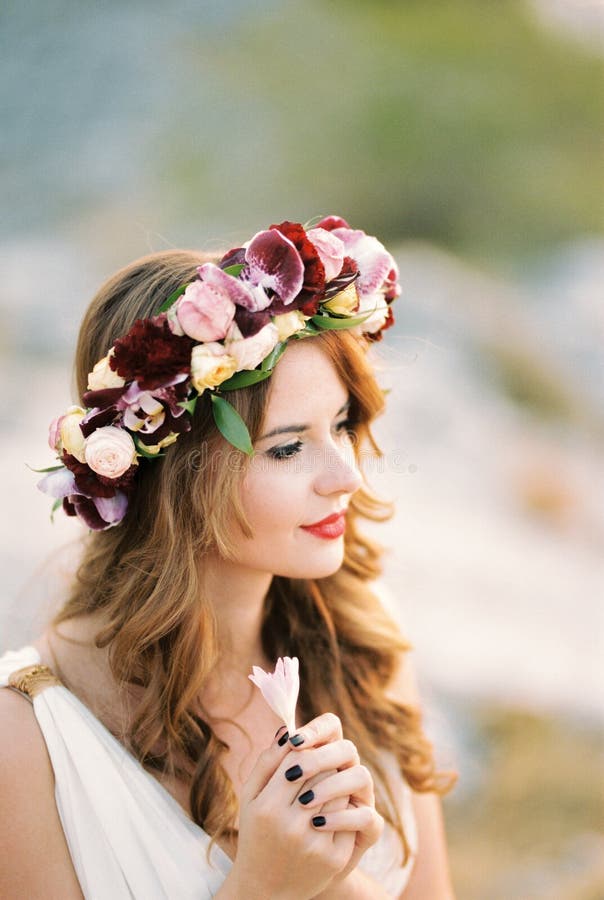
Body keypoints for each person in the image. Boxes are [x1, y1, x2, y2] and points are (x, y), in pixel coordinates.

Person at [0, 216, 456, 898]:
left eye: (339, 426)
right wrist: (265, 888)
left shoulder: (363, 642)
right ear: (180, 479)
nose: (346, 477)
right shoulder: (28, 740)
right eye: (286, 447)